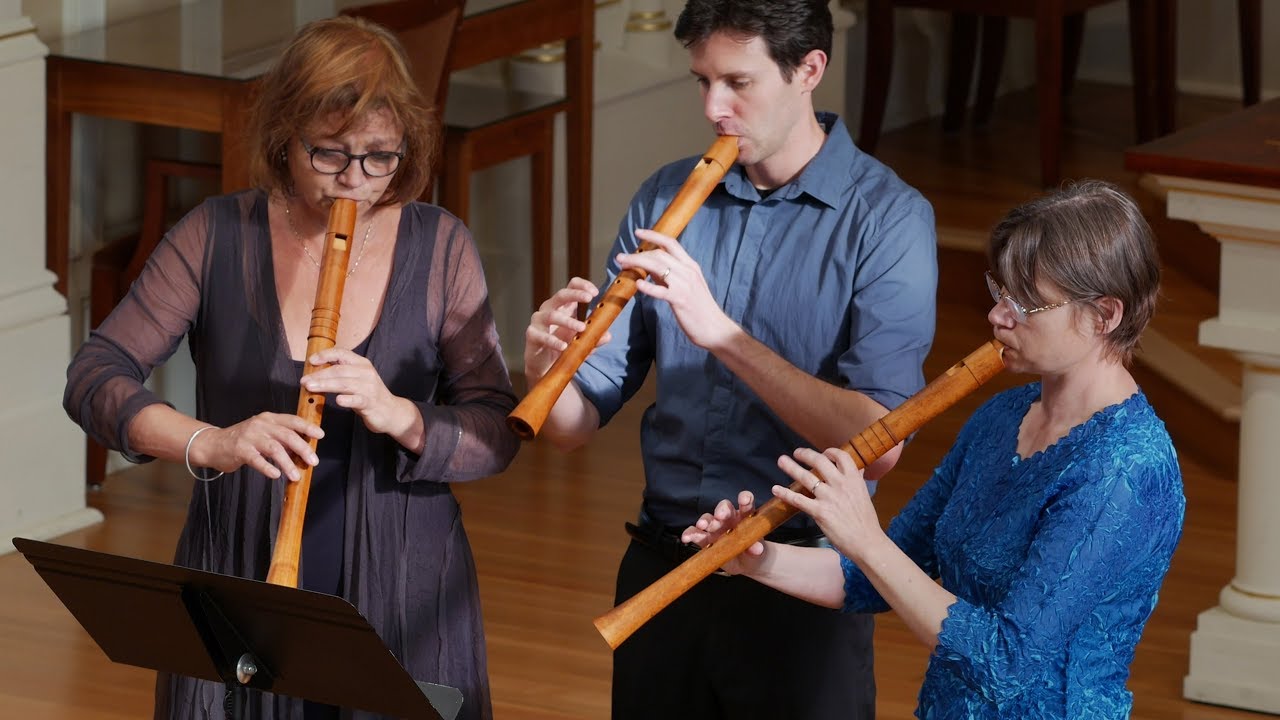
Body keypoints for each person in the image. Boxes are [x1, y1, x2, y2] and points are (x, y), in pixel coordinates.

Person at [63, 17, 519, 720]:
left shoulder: (441, 248)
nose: (355, 181)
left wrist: (399, 413)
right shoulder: (215, 234)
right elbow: (95, 375)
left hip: (403, 587)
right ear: (284, 138)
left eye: (380, 157)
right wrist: (208, 442)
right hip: (243, 568)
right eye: (329, 155)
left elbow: (497, 431)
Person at [522, 0, 937, 716]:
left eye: (738, 83)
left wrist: (720, 333)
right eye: (701, 81)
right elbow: (572, 425)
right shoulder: (664, 195)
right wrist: (545, 369)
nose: (715, 107)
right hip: (664, 560)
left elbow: (878, 449)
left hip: (799, 576)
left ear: (809, 69)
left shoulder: (890, 220)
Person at [683, 180, 1186, 719]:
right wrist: (756, 560)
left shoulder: (1126, 469)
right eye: (1001, 293)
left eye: (1028, 304)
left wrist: (866, 540)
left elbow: (1008, 663)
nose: (999, 316)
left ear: (1105, 316)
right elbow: (871, 580)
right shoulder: (1001, 416)